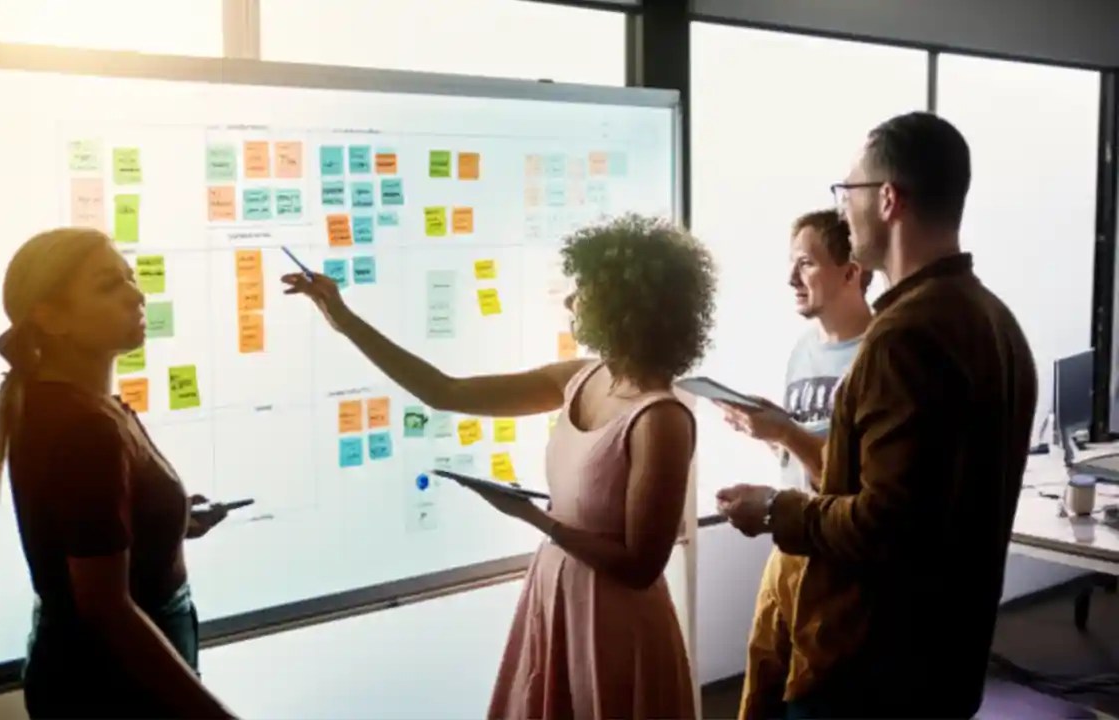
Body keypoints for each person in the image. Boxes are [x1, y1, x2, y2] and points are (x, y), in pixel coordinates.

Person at [284, 214, 716, 719]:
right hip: (558, 590)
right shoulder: (580, 377)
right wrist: (345, 319)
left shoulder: (661, 417)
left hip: (615, 620)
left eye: (586, 288)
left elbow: (642, 566)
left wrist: (535, 518)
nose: (572, 301)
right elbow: (444, 391)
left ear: (627, 304)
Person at [717, 111, 1037, 718]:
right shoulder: (995, 319)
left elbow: (883, 525)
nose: (843, 209)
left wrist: (775, 509)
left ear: (888, 199)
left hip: (871, 671)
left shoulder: (903, 337)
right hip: (946, 661)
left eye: (848, 192)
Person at [0, 227, 237, 719]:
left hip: (97, 670)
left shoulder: (78, 405)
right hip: (113, 684)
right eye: (108, 285)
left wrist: (171, 520)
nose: (137, 294)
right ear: (52, 317)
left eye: (131, 277)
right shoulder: (86, 428)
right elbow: (108, 611)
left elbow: (87, 529)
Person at [715, 209, 872, 719]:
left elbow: (851, 482)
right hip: (788, 549)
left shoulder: (874, 357)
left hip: (837, 561)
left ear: (852, 272)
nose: (791, 279)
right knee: (762, 686)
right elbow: (804, 456)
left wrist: (786, 431)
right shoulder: (804, 349)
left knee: (811, 694)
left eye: (806, 264)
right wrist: (769, 432)